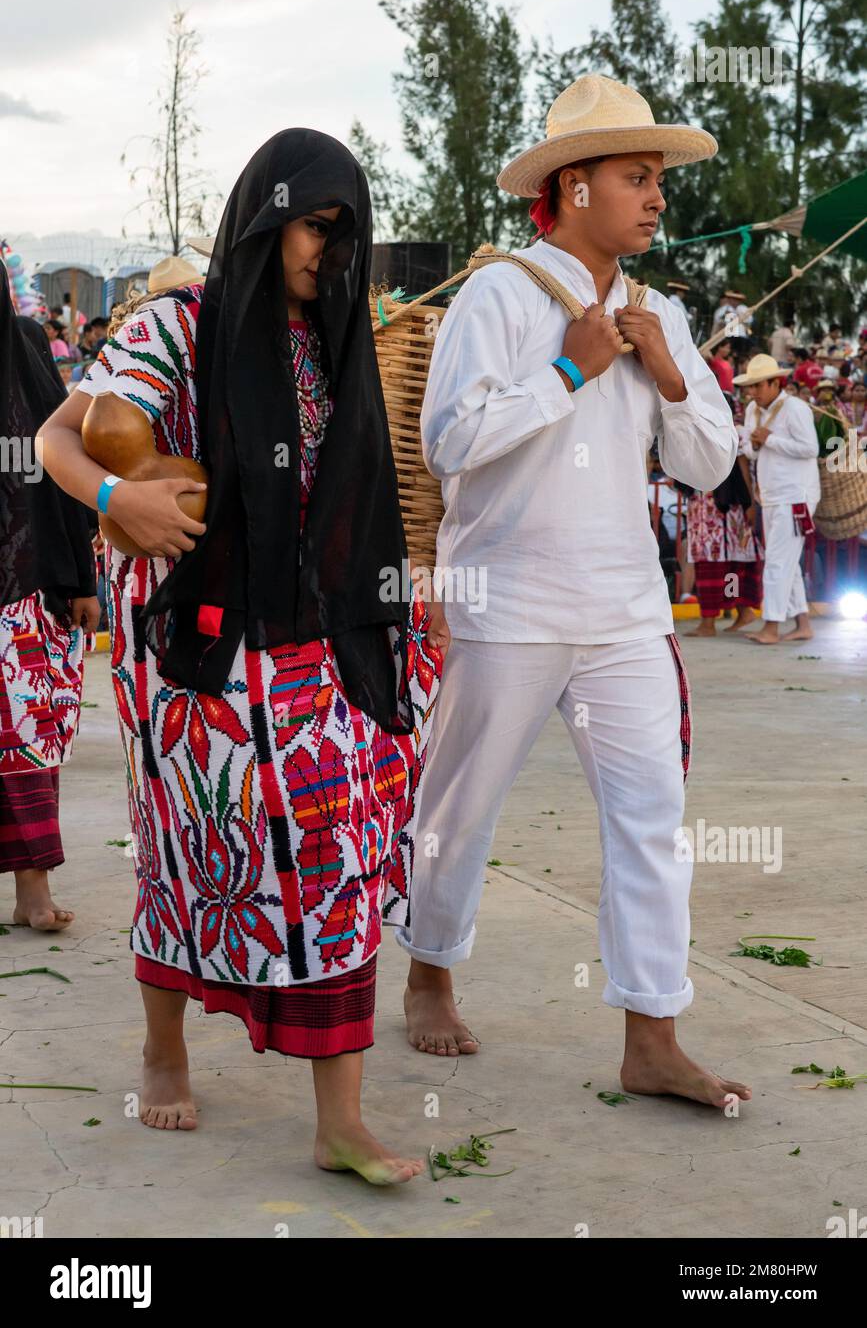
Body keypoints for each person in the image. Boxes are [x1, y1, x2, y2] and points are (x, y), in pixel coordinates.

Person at [38, 130, 443, 1183]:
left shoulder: (338, 336)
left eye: (346, 229)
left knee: (332, 858)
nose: (331, 249)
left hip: (319, 644)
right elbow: (57, 441)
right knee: (193, 850)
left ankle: (340, 1119)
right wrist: (120, 497)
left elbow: (362, 495)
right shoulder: (180, 324)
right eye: (317, 224)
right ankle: (163, 1048)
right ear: (267, 217)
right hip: (194, 655)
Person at [399, 72, 751, 1110]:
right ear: (573, 187)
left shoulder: (662, 315)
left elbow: (705, 463)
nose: (655, 197)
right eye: (636, 178)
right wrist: (567, 370)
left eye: (657, 179)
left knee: (654, 817)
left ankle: (653, 1030)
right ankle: (428, 969)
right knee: (457, 808)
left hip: (627, 610)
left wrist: (670, 378)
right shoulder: (498, 295)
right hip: (504, 601)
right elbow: (447, 439)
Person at [0, 261, 99, 930]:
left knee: (26, 737)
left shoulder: (28, 346)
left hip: (27, 578)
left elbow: (61, 462)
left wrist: (80, 579)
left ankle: (32, 890)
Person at [736, 354, 820, 645]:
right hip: (770, 495)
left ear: (775, 383)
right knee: (787, 562)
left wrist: (770, 439)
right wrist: (755, 443)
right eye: (750, 387)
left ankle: (772, 626)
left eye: (758, 386)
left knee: (777, 561)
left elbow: (810, 448)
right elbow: (750, 451)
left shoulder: (796, 408)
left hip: (796, 495)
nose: (752, 392)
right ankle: (802, 623)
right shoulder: (752, 410)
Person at [683, 404, 762, 637]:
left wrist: (748, 504)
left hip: (725, 508)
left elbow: (743, 468)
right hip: (705, 506)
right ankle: (741, 611)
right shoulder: (694, 430)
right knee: (722, 563)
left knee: (723, 564)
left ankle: (711, 622)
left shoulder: (733, 432)